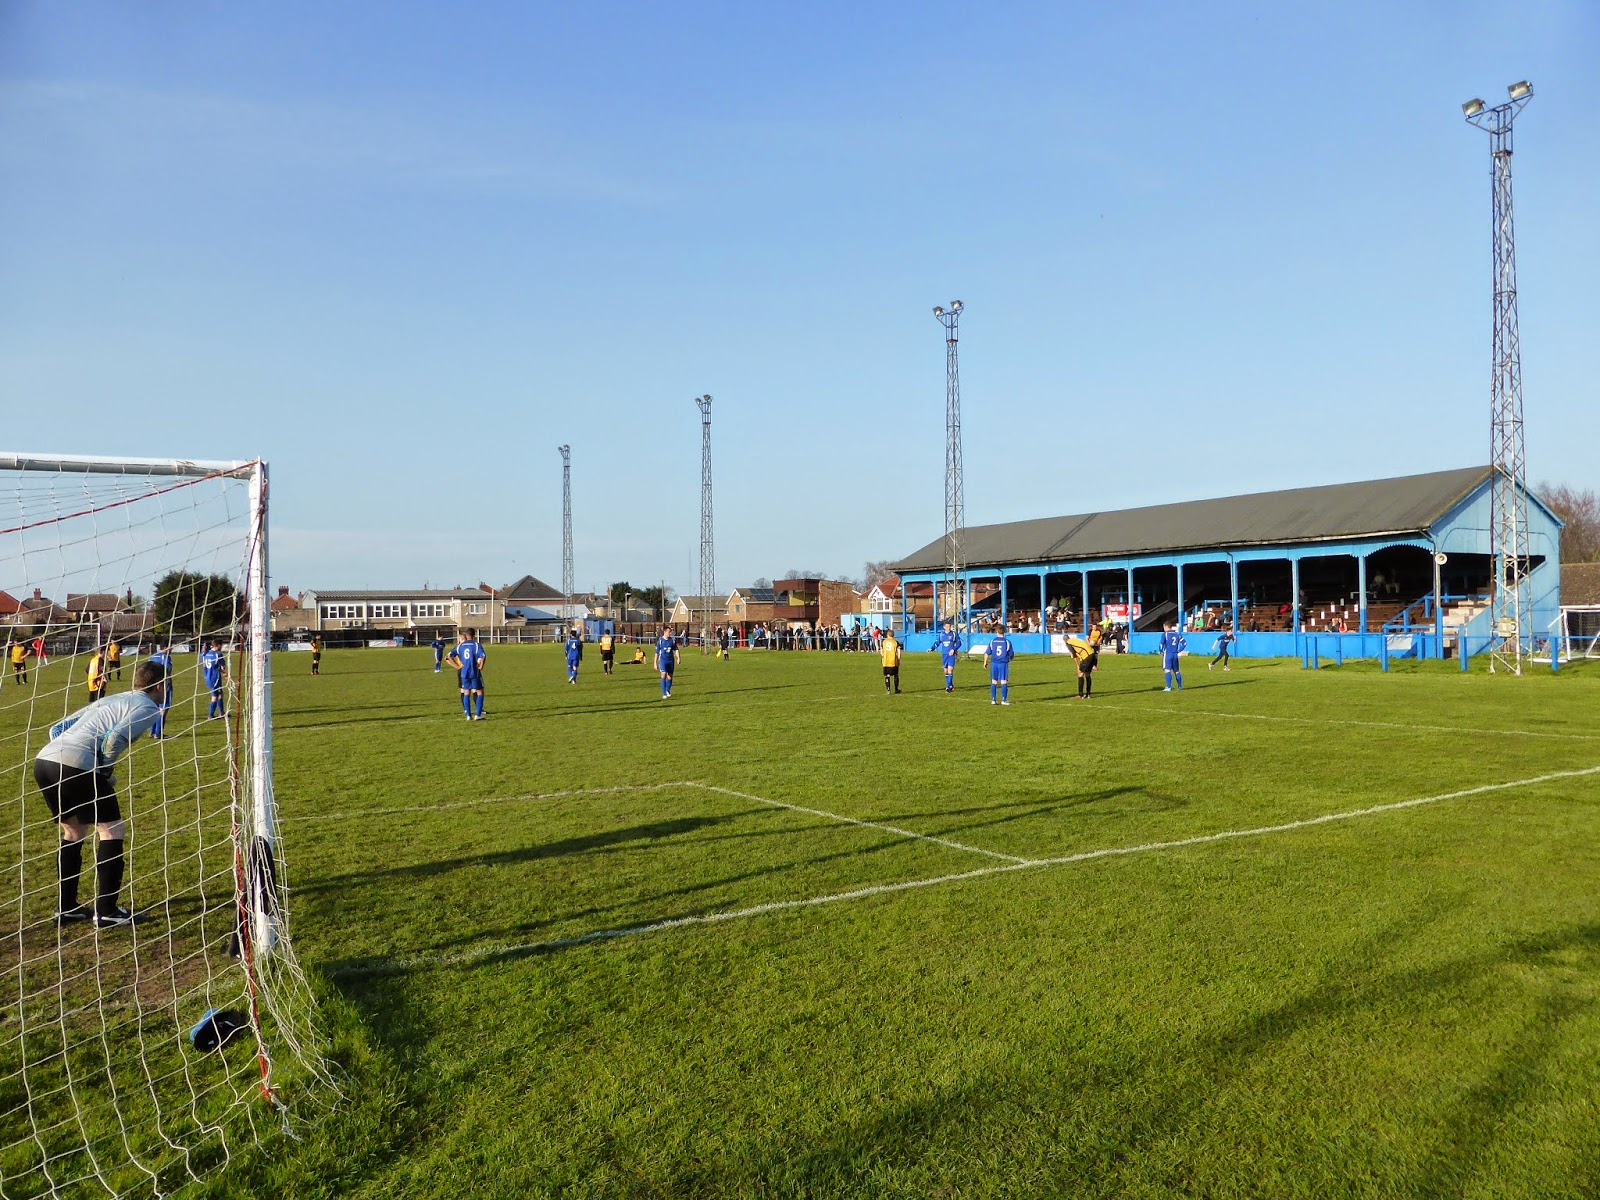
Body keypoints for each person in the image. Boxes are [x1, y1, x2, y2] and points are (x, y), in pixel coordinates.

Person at [34, 659, 168, 926]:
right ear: (161, 685)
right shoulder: (148, 707)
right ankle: (107, 910)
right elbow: (113, 739)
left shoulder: (116, 698)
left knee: (73, 831)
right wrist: (103, 772)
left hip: (45, 761)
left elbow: (56, 729)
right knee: (111, 830)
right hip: (76, 765)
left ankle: (66, 908)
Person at [447, 628, 487, 720]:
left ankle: (468, 715)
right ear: (474, 635)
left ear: (466, 635)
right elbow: (483, 656)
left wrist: (457, 666)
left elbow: (449, 656)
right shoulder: (476, 645)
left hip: (464, 672)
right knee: (479, 692)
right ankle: (478, 715)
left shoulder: (460, 646)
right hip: (474, 671)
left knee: (466, 692)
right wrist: (481, 666)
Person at [147, 643, 174, 737]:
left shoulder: (153, 656)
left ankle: (152, 731)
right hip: (163, 685)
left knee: (155, 708)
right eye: (170, 646)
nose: (172, 649)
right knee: (164, 709)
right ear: (164, 647)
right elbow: (167, 671)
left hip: (152, 685)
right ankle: (158, 733)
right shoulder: (166, 657)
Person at [984, 629, 1015, 705]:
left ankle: (993, 700)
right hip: (1003, 664)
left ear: (997, 632)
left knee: (994, 681)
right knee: (1003, 681)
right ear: (1004, 632)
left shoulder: (992, 641)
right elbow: (1011, 654)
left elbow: (987, 653)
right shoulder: (1007, 642)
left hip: (994, 663)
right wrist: (1011, 658)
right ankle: (1003, 700)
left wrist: (985, 662)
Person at [200, 639, 227, 718]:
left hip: (208, 677)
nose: (221, 647)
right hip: (215, 678)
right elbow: (222, 667)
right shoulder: (218, 654)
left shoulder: (205, 654)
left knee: (220, 693)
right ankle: (210, 715)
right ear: (218, 645)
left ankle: (222, 713)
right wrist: (225, 673)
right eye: (221, 645)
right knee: (215, 696)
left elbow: (204, 666)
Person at [934, 621, 962, 693]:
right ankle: (951, 685)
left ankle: (948, 687)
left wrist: (953, 649)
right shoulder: (941, 635)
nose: (948, 628)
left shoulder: (954, 634)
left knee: (950, 670)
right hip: (944, 655)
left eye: (949, 626)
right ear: (944, 627)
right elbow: (937, 643)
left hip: (951, 655)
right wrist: (931, 648)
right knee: (945, 671)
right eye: (946, 627)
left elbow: (959, 643)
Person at [1157, 623, 1187, 692]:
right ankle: (1180, 686)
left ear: (1166, 627)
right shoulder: (1177, 634)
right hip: (1175, 654)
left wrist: (1161, 651)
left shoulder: (1165, 634)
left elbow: (1161, 644)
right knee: (1176, 671)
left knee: (1167, 670)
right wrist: (1179, 650)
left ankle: (1169, 687)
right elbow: (1184, 643)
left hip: (1168, 654)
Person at [654, 628, 677, 698]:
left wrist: (678, 658)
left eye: (670, 632)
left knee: (670, 676)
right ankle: (664, 693)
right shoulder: (660, 641)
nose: (670, 633)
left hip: (670, 660)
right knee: (663, 674)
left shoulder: (671, 640)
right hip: (663, 660)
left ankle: (667, 690)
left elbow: (676, 649)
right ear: (665, 632)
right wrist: (655, 663)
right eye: (669, 632)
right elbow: (657, 653)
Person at [880, 627, 902, 695]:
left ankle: (888, 690)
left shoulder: (884, 642)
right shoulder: (895, 642)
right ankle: (896, 689)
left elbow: (881, 652)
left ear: (887, 635)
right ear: (893, 635)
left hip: (886, 662)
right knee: (896, 675)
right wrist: (898, 659)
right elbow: (899, 652)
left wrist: (883, 656)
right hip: (893, 661)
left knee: (887, 675)